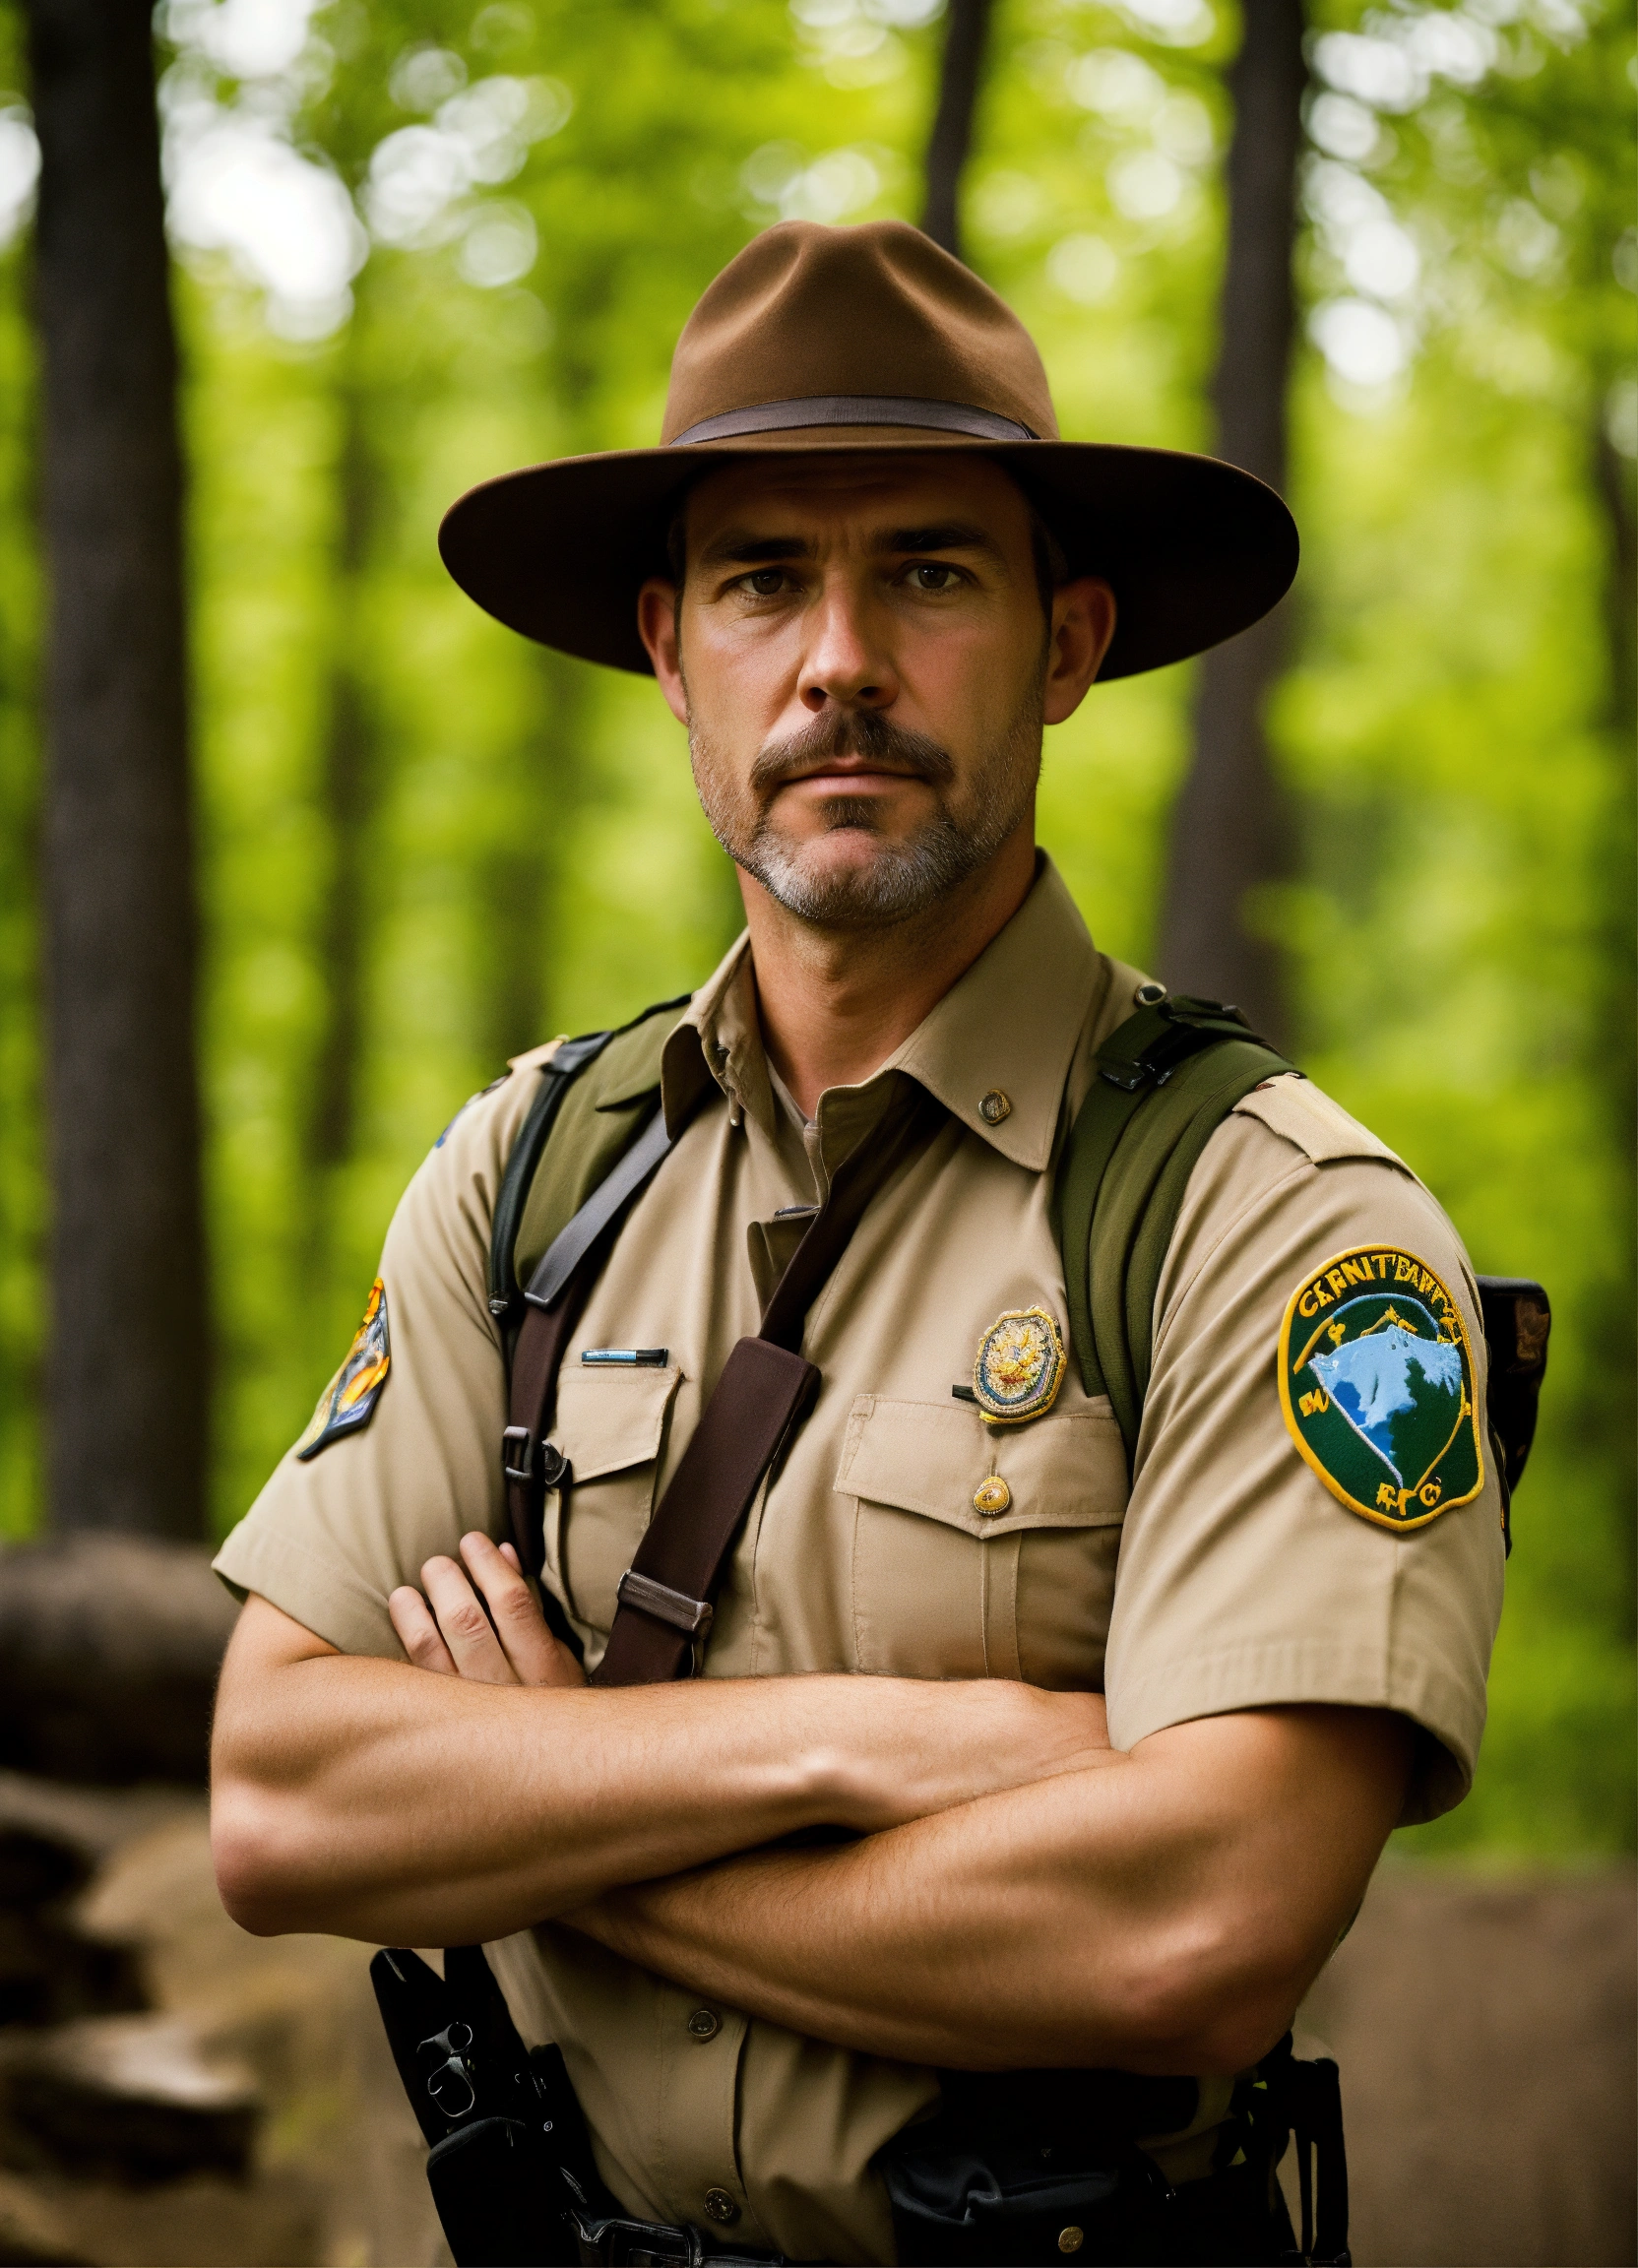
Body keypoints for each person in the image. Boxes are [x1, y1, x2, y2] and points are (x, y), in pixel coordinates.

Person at [209, 220, 1505, 2267]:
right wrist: (881, 1745)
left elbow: (1194, 1929)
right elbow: (281, 1796)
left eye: (924, 569)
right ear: (668, 651)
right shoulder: (531, 1170)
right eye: (758, 583)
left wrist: (533, 1801)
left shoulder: (1270, 1217)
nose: (836, 659)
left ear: (1065, 646)